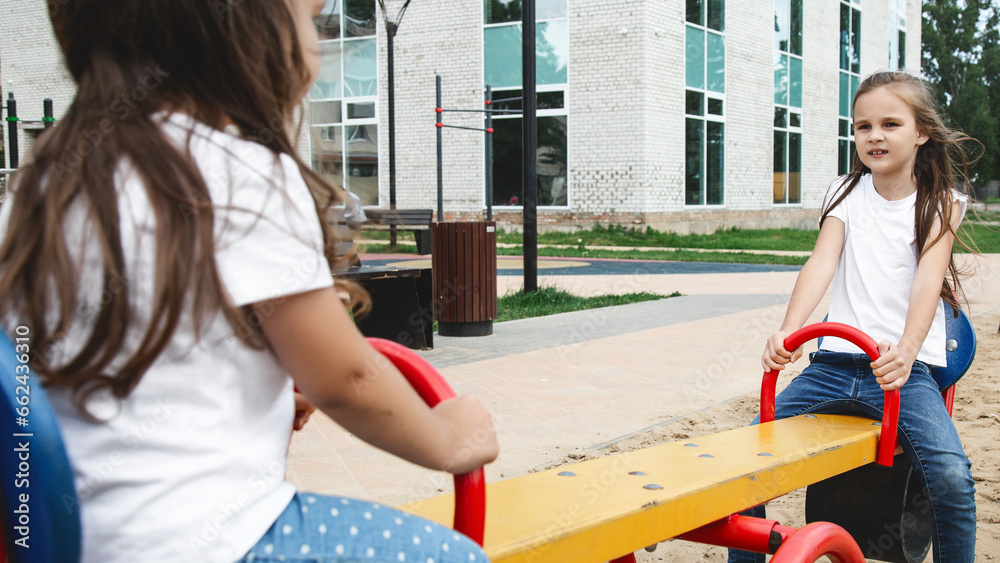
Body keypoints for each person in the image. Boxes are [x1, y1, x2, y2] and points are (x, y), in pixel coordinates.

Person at [0, 1, 498, 562]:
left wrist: (253, 382)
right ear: (240, 23)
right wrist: (449, 439)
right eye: (312, 18)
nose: (320, 36)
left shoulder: (36, 190)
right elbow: (349, 379)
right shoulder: (239, 174)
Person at [729, 70, 977, 563]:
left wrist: (907, 352)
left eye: (890, 123)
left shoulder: (940, 203)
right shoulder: (845, 192)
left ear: (921, 132)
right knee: (745, 460)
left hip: (900, 375)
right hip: (832, 366)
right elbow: (821, 263)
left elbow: (928, 281)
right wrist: (791, 330)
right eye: (863, 126)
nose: (874, 136)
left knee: (952, 478)